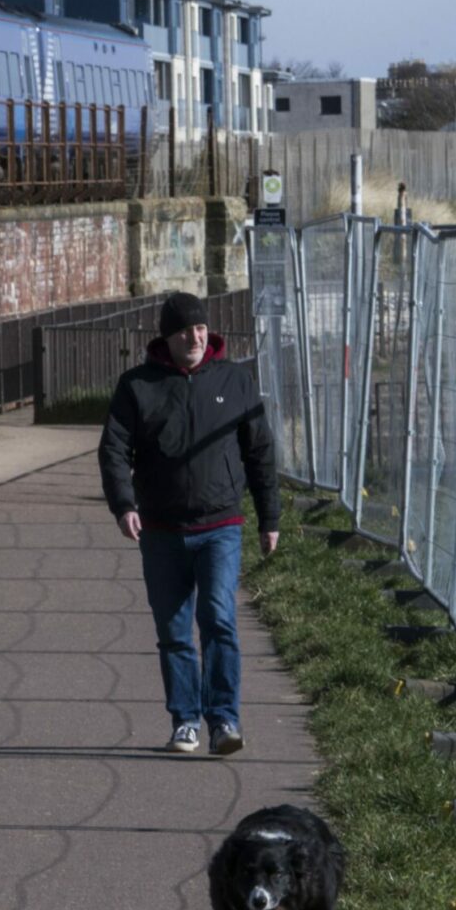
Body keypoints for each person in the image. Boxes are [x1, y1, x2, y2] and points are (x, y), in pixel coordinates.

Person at [98, 292, 280, 756]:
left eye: (199, 328)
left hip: (221, 525)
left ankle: (224, 720)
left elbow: (259, 451)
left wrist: (269, 517)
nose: (194, 336)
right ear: (167, 336)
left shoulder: (235, 381)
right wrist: (125, 505)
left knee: (218, 618)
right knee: (175, 631)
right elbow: (114, 449)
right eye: (183, 330)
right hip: (160, 529)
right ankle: (185, 722)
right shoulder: (138, 386)